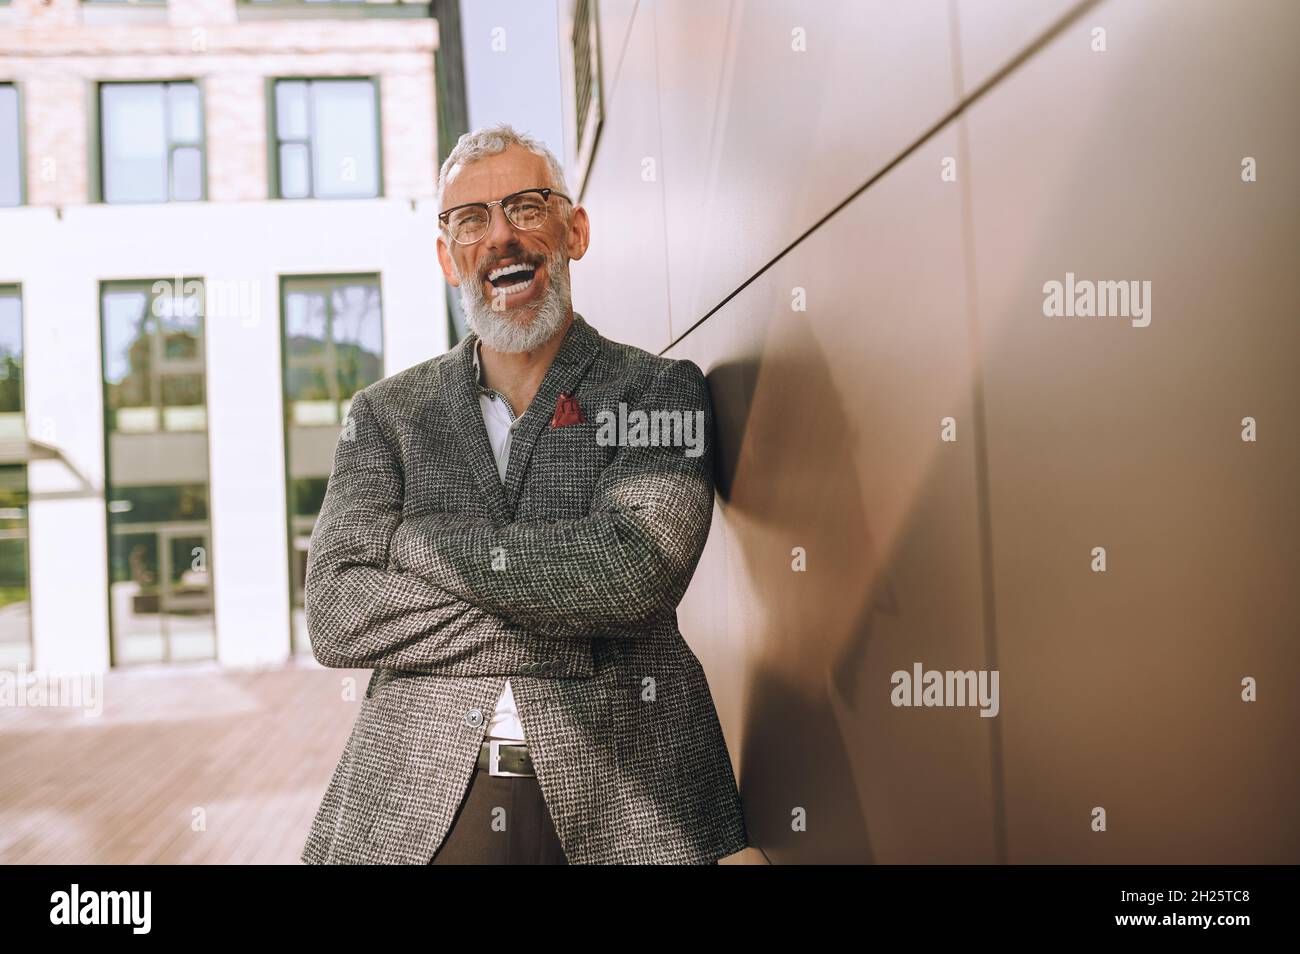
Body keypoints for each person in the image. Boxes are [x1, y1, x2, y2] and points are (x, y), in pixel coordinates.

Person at [299, 123, 748, 865]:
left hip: (633, 796)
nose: (500, 237)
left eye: (527, 207)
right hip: (424, 796)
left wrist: (416, 542)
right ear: (449, 258)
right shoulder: (385, 414)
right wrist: (578, 638)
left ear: (575, 230)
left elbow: (631, 574)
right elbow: (339, 615)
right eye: (470, 220)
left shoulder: (658, 391)